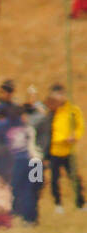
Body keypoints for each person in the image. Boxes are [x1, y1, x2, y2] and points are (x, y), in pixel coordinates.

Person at [45, 84, 85, 212]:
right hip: (54, 151)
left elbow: (80, 126)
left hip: (68, 151)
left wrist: (75, 136)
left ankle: (81, 203)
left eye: (60, 95)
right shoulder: (50, 112)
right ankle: (58, 204)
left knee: (74, 177)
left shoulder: (73, 110)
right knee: (54, 180)